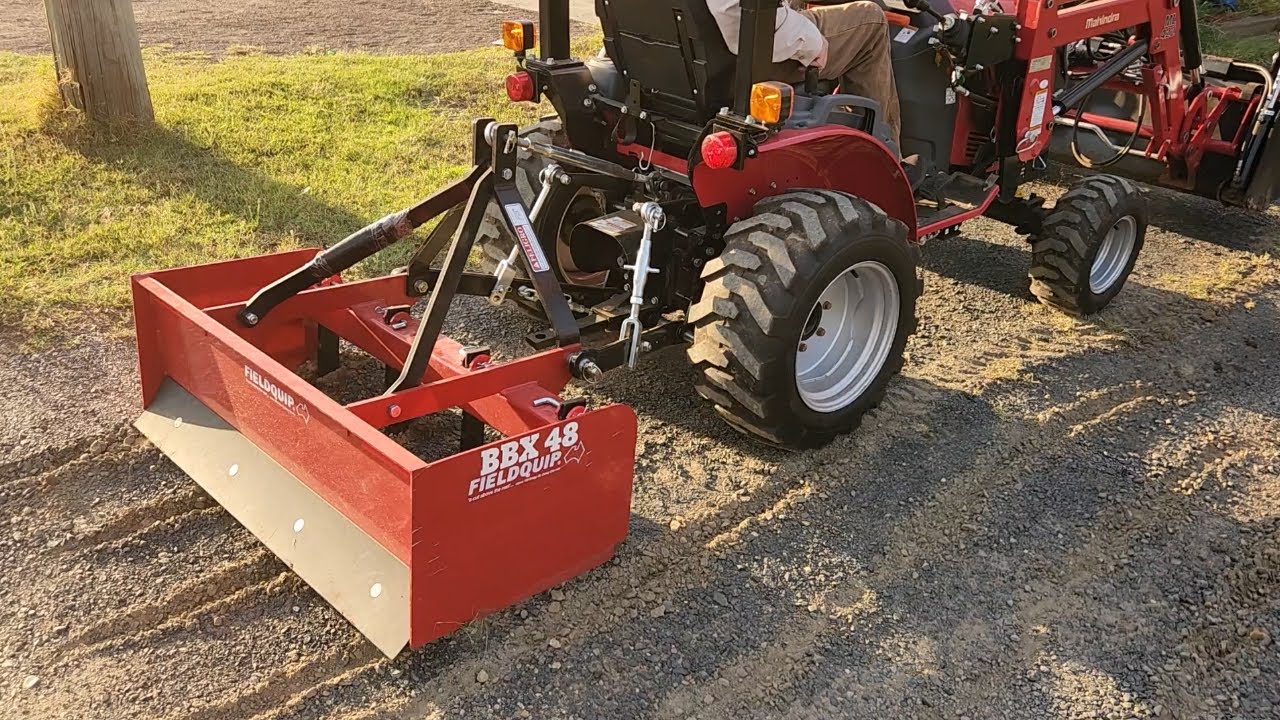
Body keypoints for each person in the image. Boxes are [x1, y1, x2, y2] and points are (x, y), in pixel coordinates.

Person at [706, 1, 901, 147]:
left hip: (699, 56)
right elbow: (737, 14)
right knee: (871, 20)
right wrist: (812, 42)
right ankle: (887, 153)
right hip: (745, 52)